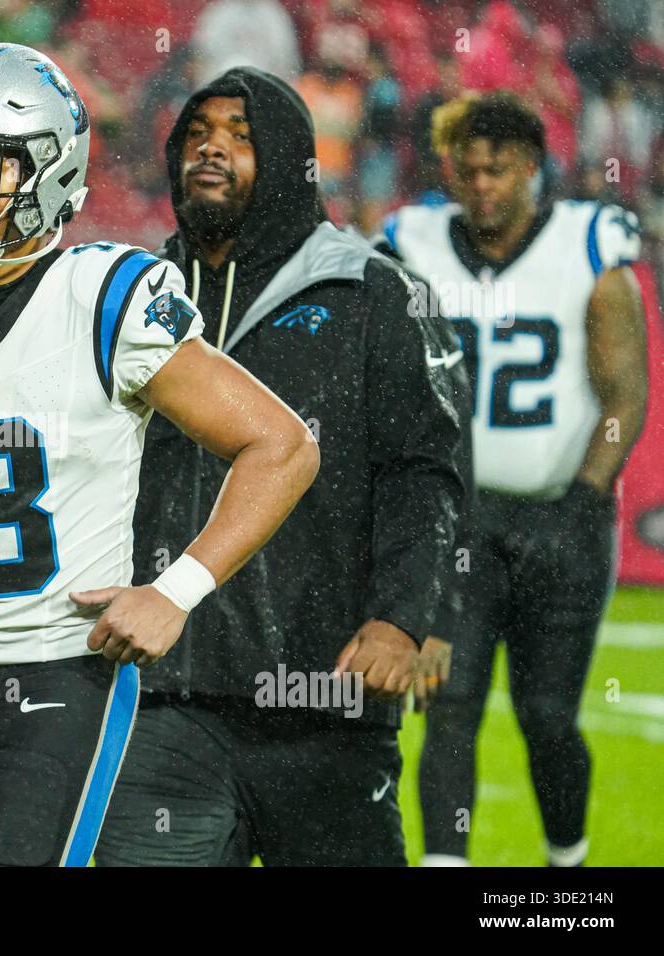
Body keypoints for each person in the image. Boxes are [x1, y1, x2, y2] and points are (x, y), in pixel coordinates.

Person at [0, 44, 318, 867]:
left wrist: (177, 590)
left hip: (54, 685)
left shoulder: (105, 299)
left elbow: (282, 445)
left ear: (48, 171)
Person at [94, 67, 466, 867]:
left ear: (295, 157)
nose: (211, 149)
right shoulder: (123, 301)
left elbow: (422, 475)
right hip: (161, 693)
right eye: (197, 134)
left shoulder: (375, 292)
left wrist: (402, 619)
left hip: (327, 693)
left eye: (240, 134)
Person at [384, 91, 647, 867]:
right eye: (467, 172)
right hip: (459, 520)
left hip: (562, 516)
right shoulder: (414, 240)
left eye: (498, 171)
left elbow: (623, 396)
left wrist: (586, 494)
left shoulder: (589, 246)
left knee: (546, 716)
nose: (482, 187)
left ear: (533, 169)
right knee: (449, 705)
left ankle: (566, 861)